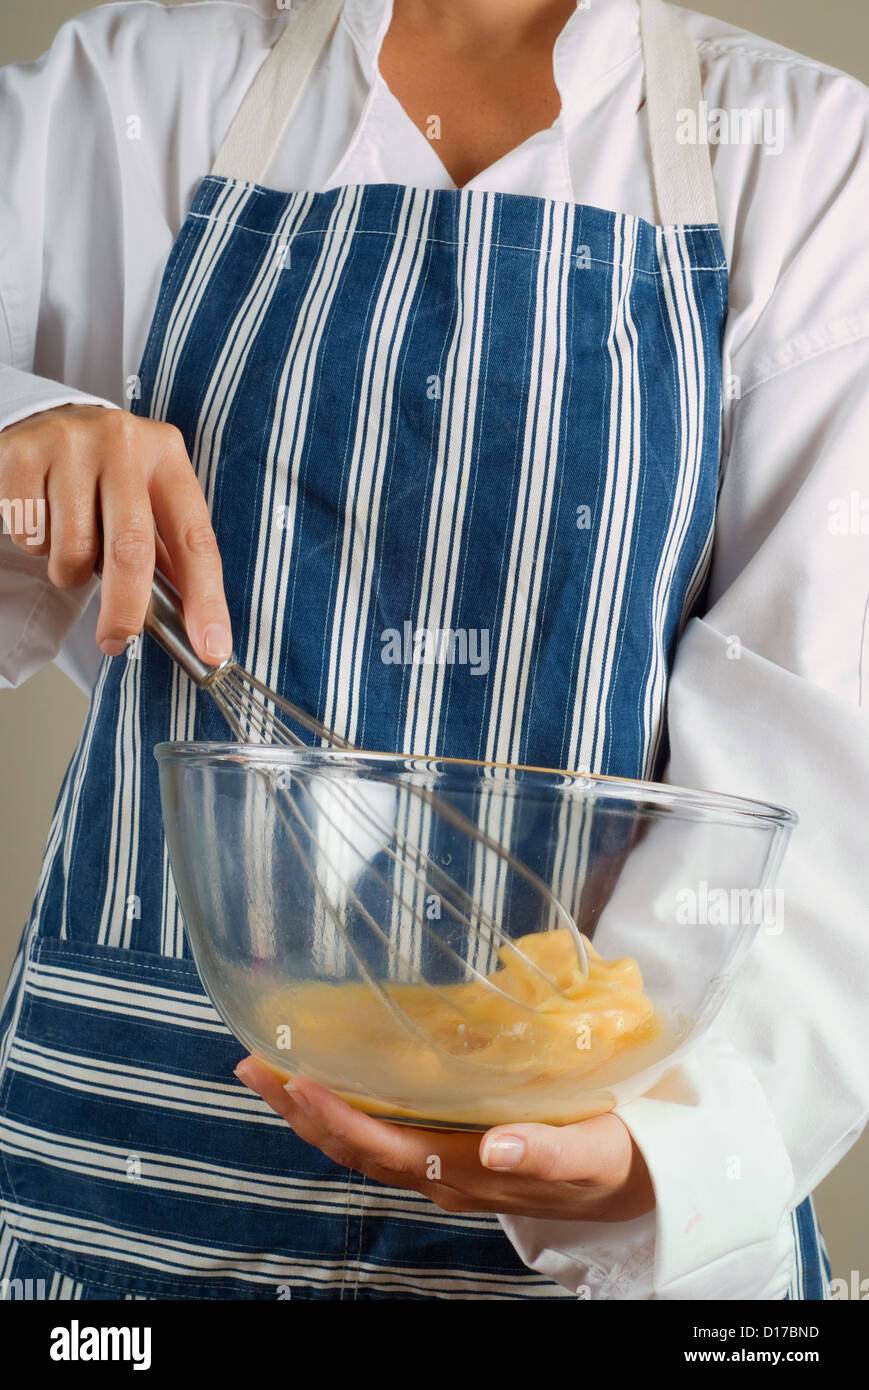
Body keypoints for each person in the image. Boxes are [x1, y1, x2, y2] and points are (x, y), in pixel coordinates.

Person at [0, 0, 867, 1302]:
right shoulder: (117, 97)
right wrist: (20, 435)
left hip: (573, 1219)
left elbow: (828, 741)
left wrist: (651, 1147)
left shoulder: (802, 158)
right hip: (126, 1225)